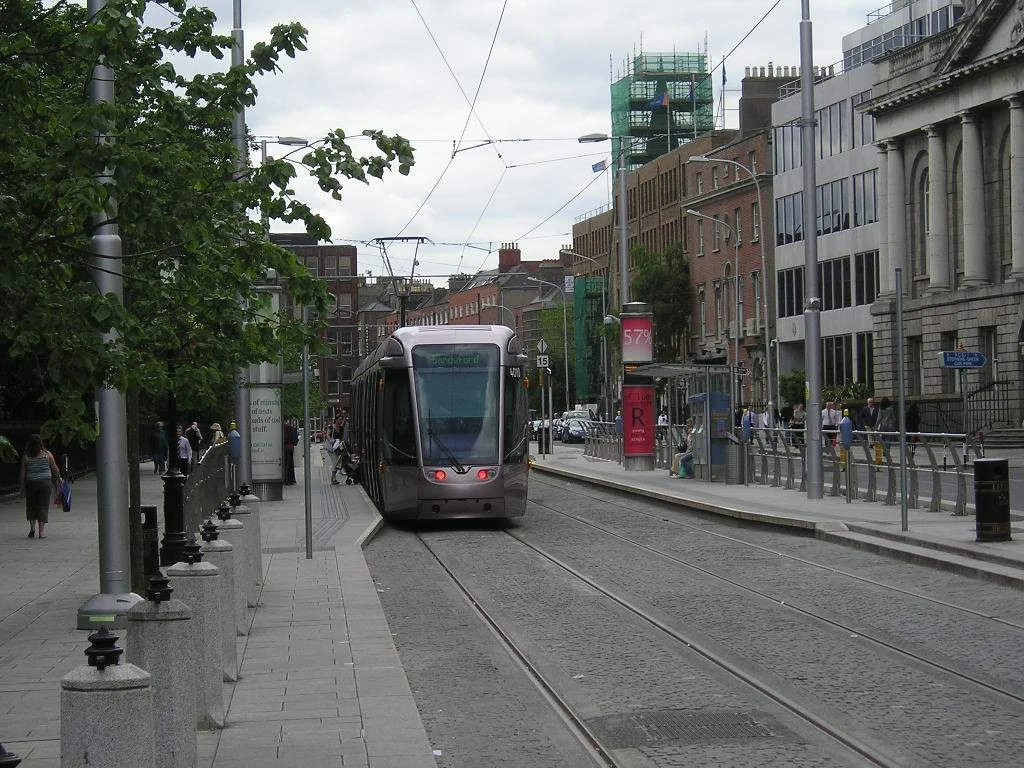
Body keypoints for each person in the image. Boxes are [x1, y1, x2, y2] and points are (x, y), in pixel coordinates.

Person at [20, 434, 61, 539]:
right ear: (41, 443)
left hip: (31, 483)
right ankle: (41, 532)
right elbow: (55, 469)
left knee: (31, 506)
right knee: (43, 506)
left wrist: (22, 487)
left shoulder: (26, 457)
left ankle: (32, 529)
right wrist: (58, 478)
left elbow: (23, 474)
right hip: (45, 483)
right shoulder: (47, 455)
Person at [283, 418, 298, 485]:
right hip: (290, 448)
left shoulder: (282, 428)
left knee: (285, 464)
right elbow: (295, 441)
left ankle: (286, 479)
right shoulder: (291, 428)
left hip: (284, 448)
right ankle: (290, 479)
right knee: (290, 464)